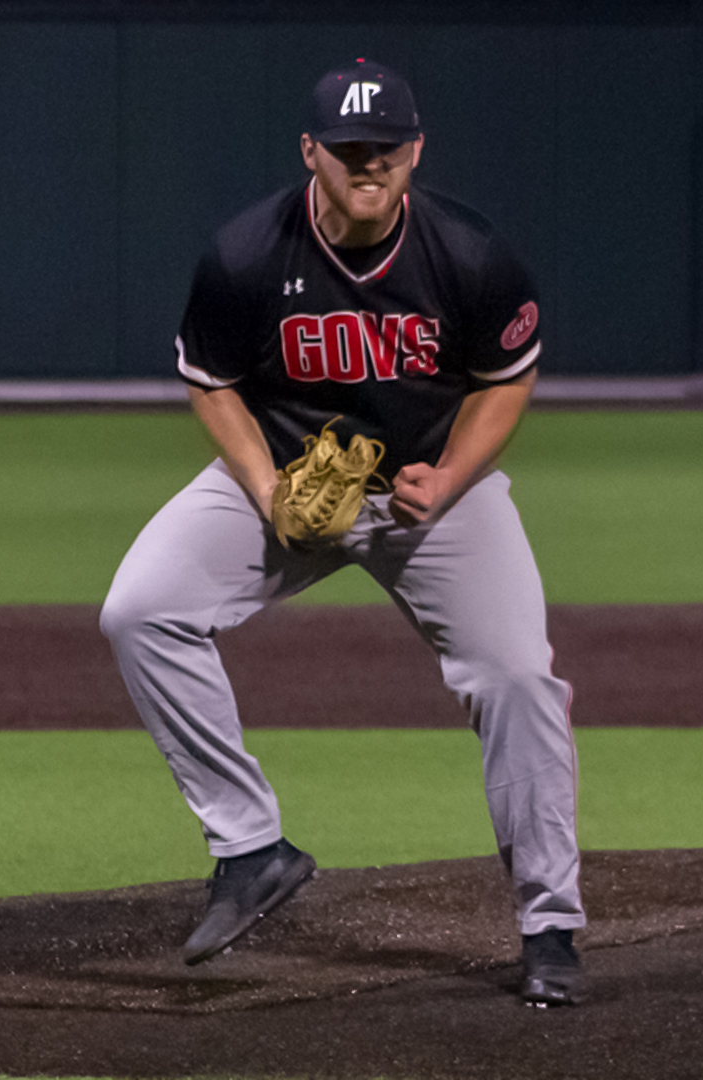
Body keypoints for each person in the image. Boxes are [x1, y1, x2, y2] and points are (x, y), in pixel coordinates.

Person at [99, 58, 585, 1006]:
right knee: (141, 611)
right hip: (287, 477)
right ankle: (251, 849)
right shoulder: (245, 254)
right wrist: (264, 486)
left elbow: (505, 377)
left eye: (388, 148)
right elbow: (213, 382)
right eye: (351, 150)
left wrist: (449, 481)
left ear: (416, 150)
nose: (371, 166)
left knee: (519, 675)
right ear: (311, 151)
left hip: (426, 489)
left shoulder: (468, 254)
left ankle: (551, 924)